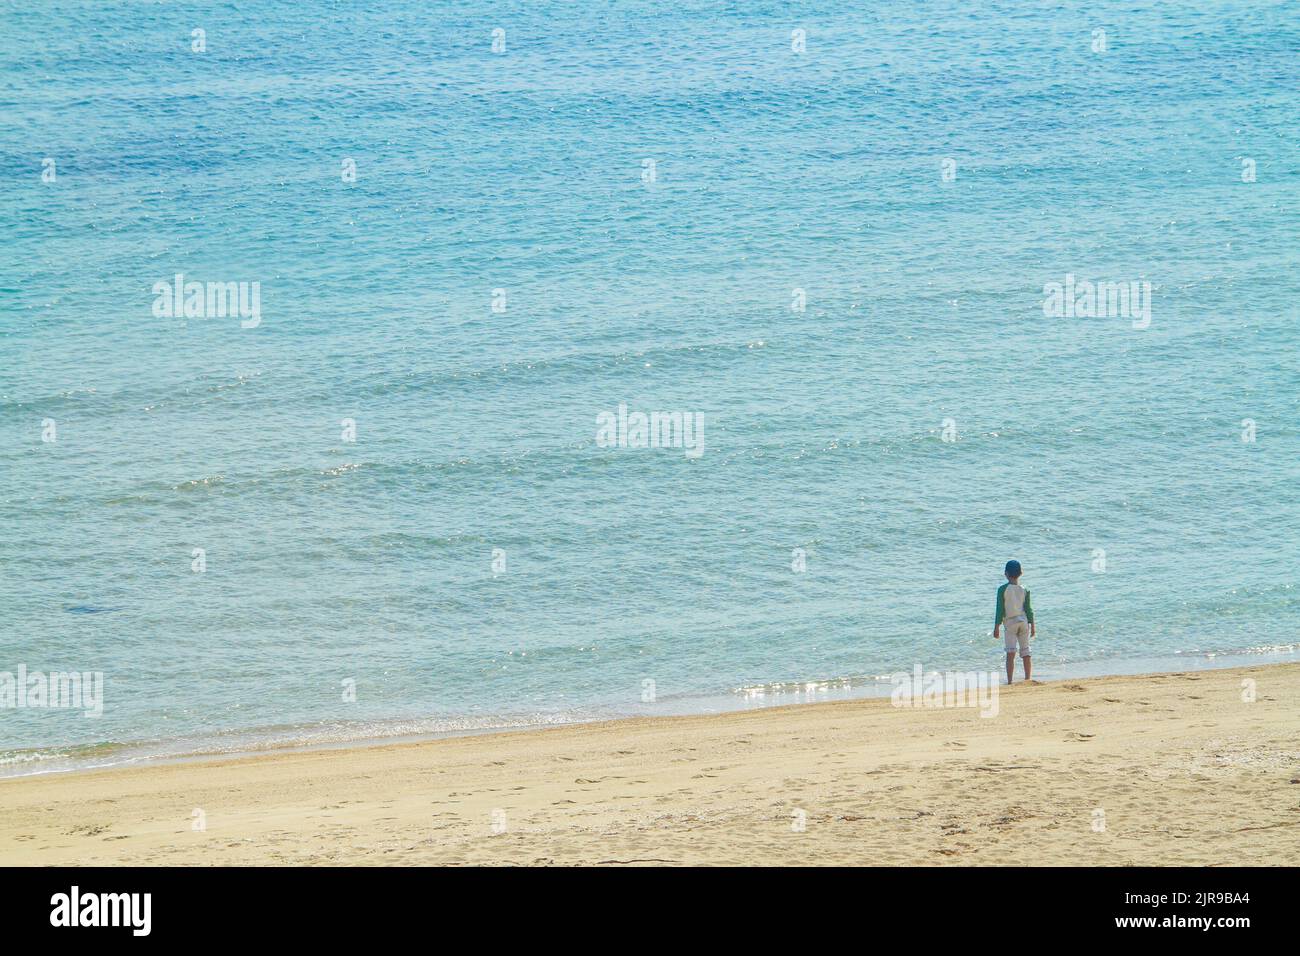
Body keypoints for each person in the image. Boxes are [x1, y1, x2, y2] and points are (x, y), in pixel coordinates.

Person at [993, 559, 1035, 683]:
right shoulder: (1025, 589)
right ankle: (1028, 678)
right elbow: (1029, 609)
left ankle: (1010, 681)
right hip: (1023, 622)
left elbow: (999, 610)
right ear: (1021, 573)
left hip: (1010, 623)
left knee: (1010, 653)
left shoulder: (1002, 589)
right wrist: (1033, 625)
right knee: (1026, 651)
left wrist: (996, 627)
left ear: (1006, 573)